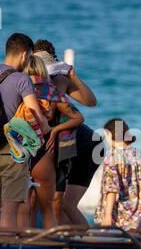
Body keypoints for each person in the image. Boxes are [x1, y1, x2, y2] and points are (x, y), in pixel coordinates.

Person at [0, 33, 49, 229]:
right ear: (24, 54)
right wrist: (46, 129)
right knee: (10, 211)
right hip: (13, 153)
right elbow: (37, 116)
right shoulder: (21, 79)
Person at [34, 39, 100, 226]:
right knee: (62, 205)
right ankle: (75, 244)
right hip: (65, 145)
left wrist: (73, 76)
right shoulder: (28, 82)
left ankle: (82, 247)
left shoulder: (60, 81)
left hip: (85, 145)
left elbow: (90, 102)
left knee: (62, 204)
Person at [21, 54, 85, 228]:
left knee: (26, 205)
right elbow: (79, 118)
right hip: (45, 152)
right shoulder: (50, 91)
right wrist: (55, 129)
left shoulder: (18, 87)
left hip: (21, 151)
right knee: (46, 207)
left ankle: (23, 247)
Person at [95, 119, 141, 231]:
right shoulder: (139, 154)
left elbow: (111, 188)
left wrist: (107, 216)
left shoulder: (111, 156)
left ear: (109, 134)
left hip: (120, 219)